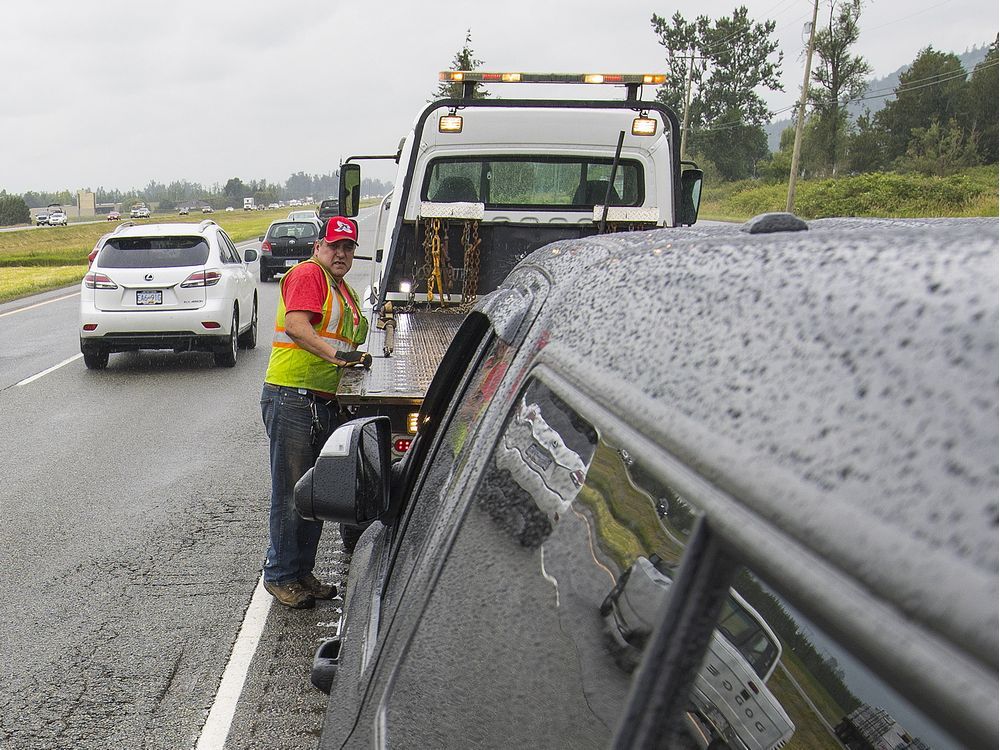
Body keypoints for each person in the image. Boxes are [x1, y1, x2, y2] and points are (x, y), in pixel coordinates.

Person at [260, 216, 370, 608]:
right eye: (333, 246)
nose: (340, 253)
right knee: (292, 492)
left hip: (320, 399)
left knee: (313, 493)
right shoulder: (310, 274)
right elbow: (296, 326)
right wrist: (339, 357)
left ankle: (301, 572)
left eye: (348, 248)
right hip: (293, 395)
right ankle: (280, 574)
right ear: (318, 246)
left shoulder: (342, 288)